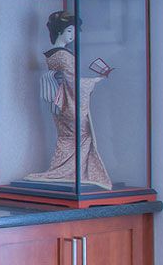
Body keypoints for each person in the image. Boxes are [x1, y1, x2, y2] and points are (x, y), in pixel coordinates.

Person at [26, 10, 112, 190]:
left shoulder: (53, 54)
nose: (73, 35)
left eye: (74, 31)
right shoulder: (63, 56)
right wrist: (94, 81)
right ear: (60, 31)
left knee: (67, 136)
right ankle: (65, 172)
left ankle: (67, 171)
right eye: (69, 31)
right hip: (69, 101)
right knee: (79, 135)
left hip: (61, 100)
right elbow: (73, 81)